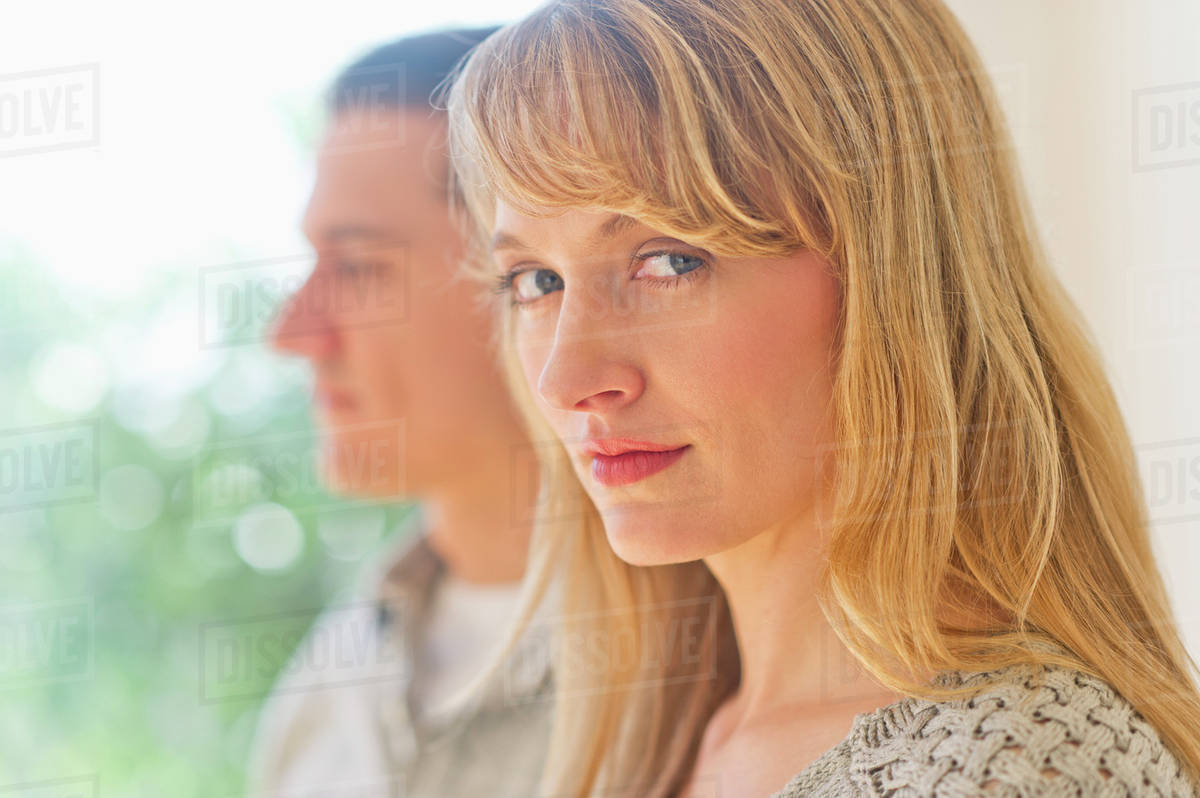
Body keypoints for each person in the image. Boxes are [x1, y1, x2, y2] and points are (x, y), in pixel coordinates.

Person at [442, 1, 1200, 796]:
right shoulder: (646, 749)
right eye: (537, 281)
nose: (565, 380)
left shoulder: (1019, 769)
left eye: (670, 261)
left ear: (891, 273)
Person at [246, 28, 552, 798]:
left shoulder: (709, 676)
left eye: (357, 268)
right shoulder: (326, 686)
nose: (292, 335)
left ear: (532, 275)